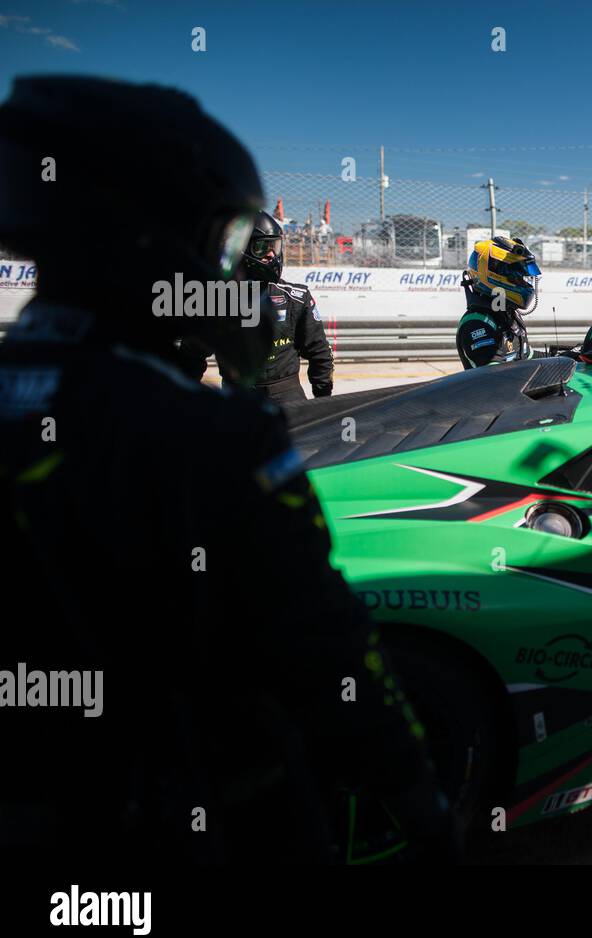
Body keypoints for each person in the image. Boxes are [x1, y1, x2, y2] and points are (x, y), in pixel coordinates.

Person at [0, 75, 447, 862]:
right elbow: (328, 651)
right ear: (172, 234)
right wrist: (415, 792)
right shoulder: (213, 437)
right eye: (226, 239)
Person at [186, 212, 335, 404]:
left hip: (288, 396)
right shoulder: (217, 300)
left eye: (275, 246)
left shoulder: (296, 298)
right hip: (238, 398)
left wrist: (324, 404)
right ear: (242, 249)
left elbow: (320, 352)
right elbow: (191, 356)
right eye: (262, 247)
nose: (271, 254)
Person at [455, 235, 540, 369]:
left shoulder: (509, 313)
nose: (524, 282)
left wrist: (566, 356)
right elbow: (495, 378)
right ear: (494, 276)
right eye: (517, 278)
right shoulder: (477, 323)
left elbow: (527, 356)